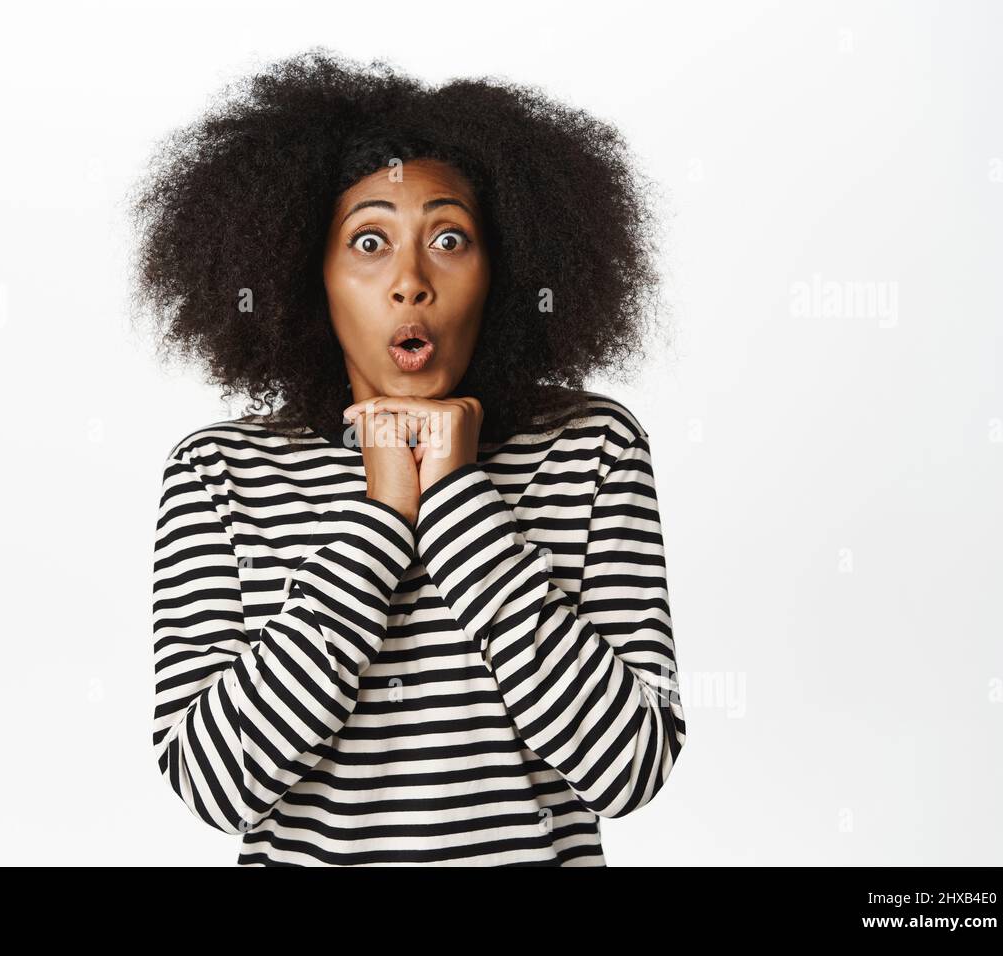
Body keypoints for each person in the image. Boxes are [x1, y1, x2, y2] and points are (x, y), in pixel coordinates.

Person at [133, 49, 685, 865]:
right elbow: (215, 783)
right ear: (304, 274)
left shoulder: (592, 447)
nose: (409, 281)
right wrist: (381, 517)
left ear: (506, 269)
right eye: (367, 242)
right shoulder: (221, 472)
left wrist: (460, 500)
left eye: (451, 238)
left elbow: (631, 767)